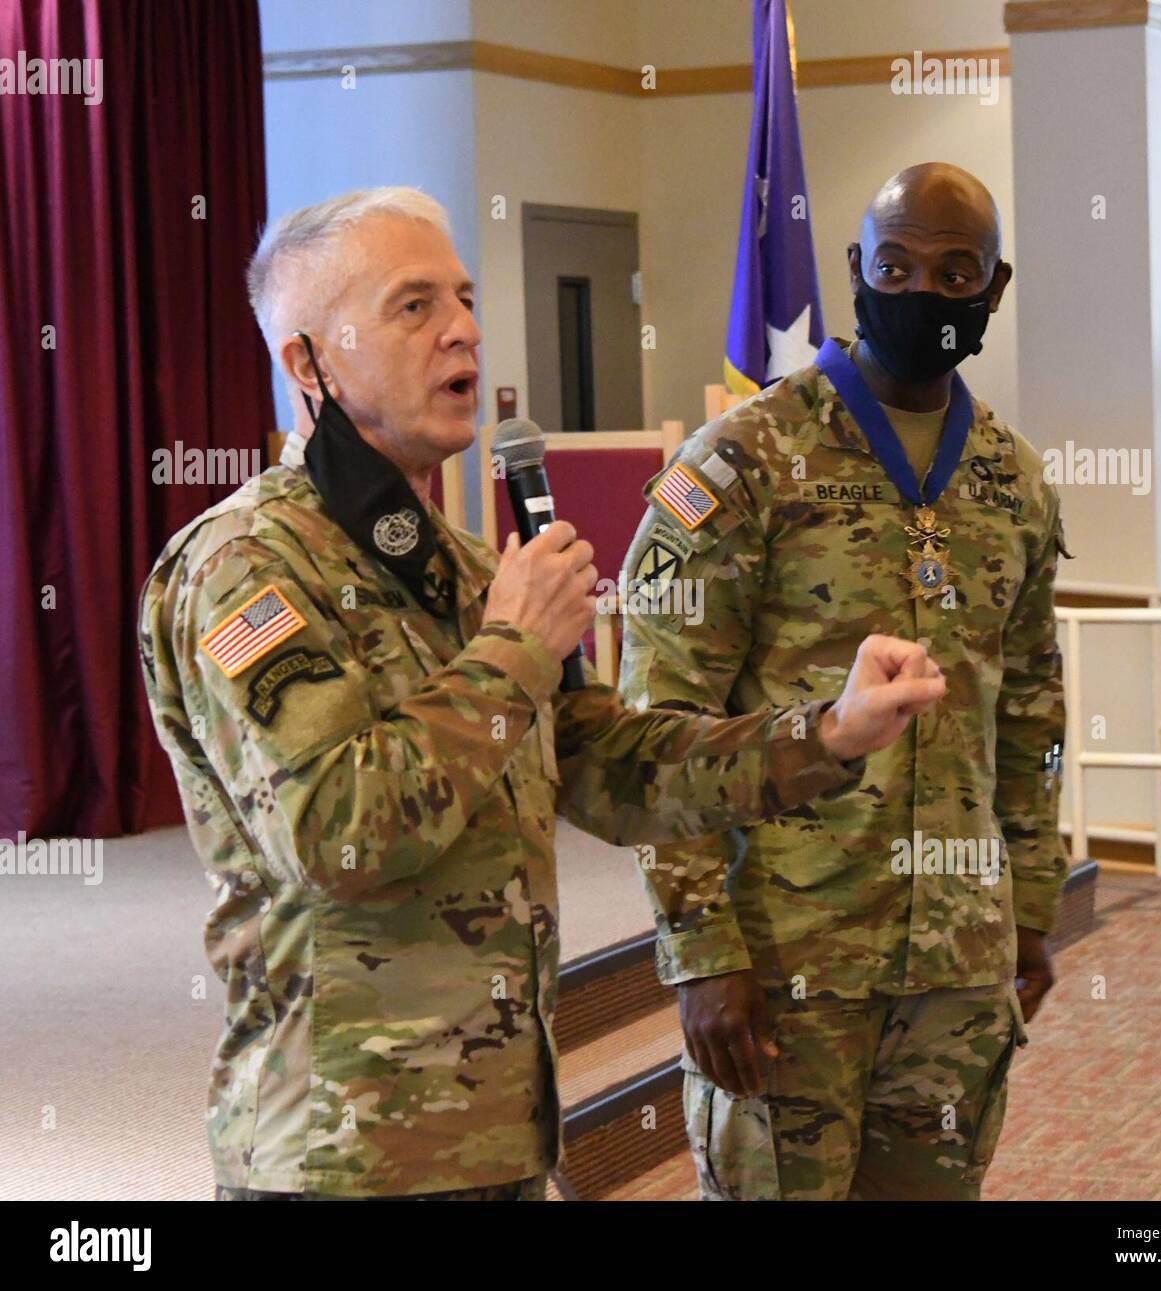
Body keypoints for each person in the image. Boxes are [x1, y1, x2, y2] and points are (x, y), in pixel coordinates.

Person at [137, 187, 945, 1201]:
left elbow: (611, 769)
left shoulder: (472, 568)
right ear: (309, 363)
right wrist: (515, 648)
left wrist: (827, 731)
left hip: (505, 1140)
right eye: (413, 305)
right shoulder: (246, 569)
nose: (464, 329)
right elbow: (340, 833)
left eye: (465, 298)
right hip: (341, 1158)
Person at [619, 162, 1072, 1201]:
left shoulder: (1011, 477)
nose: (922, 291)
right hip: (787, 957)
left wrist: (1032, 901)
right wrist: (699, 951)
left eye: (954, 272)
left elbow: (1033, 710)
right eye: (896, 265)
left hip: (958, 958)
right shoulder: (742, 462)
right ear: (857, 271)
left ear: (993, 289)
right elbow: (661, 728)